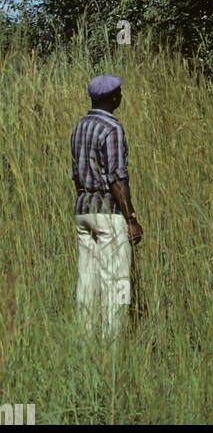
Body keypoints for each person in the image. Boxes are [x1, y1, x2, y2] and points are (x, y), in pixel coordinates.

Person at [70, 74, 142, 336]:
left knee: (87, 285)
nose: (121, 96)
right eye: (119, 93)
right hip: (107, 212)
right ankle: (112, 352)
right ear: (113, 98)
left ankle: (86, 348)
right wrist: (131, 218)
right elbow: (116, 179)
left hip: (82, 210)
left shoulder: (80, 127)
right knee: (116, 285)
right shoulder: (111, 129)